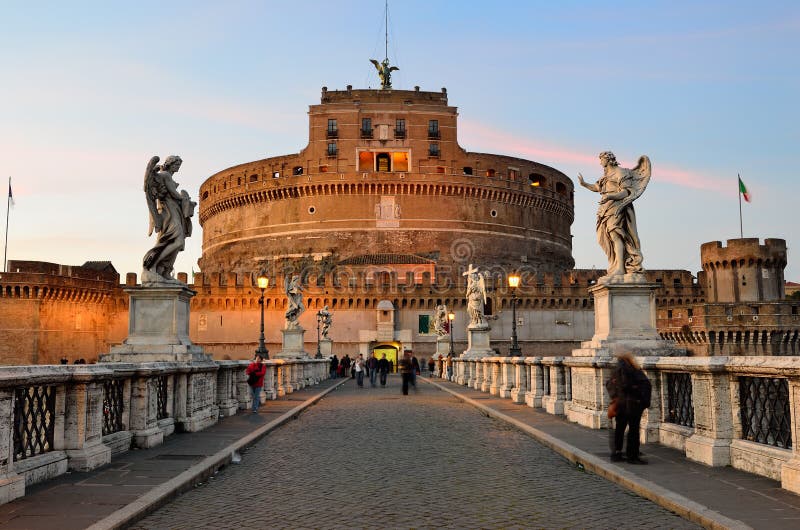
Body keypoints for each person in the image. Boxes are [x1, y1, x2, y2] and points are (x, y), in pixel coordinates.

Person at [578, 152, 651, 282]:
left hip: (618, 206)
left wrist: (610, 196)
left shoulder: (621, 172)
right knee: (605, 237)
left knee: (615, 235)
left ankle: (621, 268)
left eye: (601, 160)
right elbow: (597, 187)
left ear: (608, 159)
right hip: (605, 208)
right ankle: (615, 264)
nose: (600, 163)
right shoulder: (606, 176)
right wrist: (584, 184)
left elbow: (626, 192)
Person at [142, 155, 196, 284]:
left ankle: (165, 272)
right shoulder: (165, 175)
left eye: (179, 165)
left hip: (174, 210)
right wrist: (186, 199)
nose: (178, 167)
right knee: (175, 240)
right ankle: (152, 267)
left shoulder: (168, 176)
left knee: (179, 242)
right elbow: (173, 193)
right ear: (170, 164)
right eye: (177, 165)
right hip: (168, 212)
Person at [605, 353, 652, 464]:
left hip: (621, 404)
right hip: (632, 404)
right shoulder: (630, 369)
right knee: (633, 431)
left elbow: (609, 385)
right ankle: (632, 456)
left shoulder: (616, 370)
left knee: (620, 429)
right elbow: (628, 385)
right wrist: (640, 397)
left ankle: (617, 453)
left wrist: (616, 397)